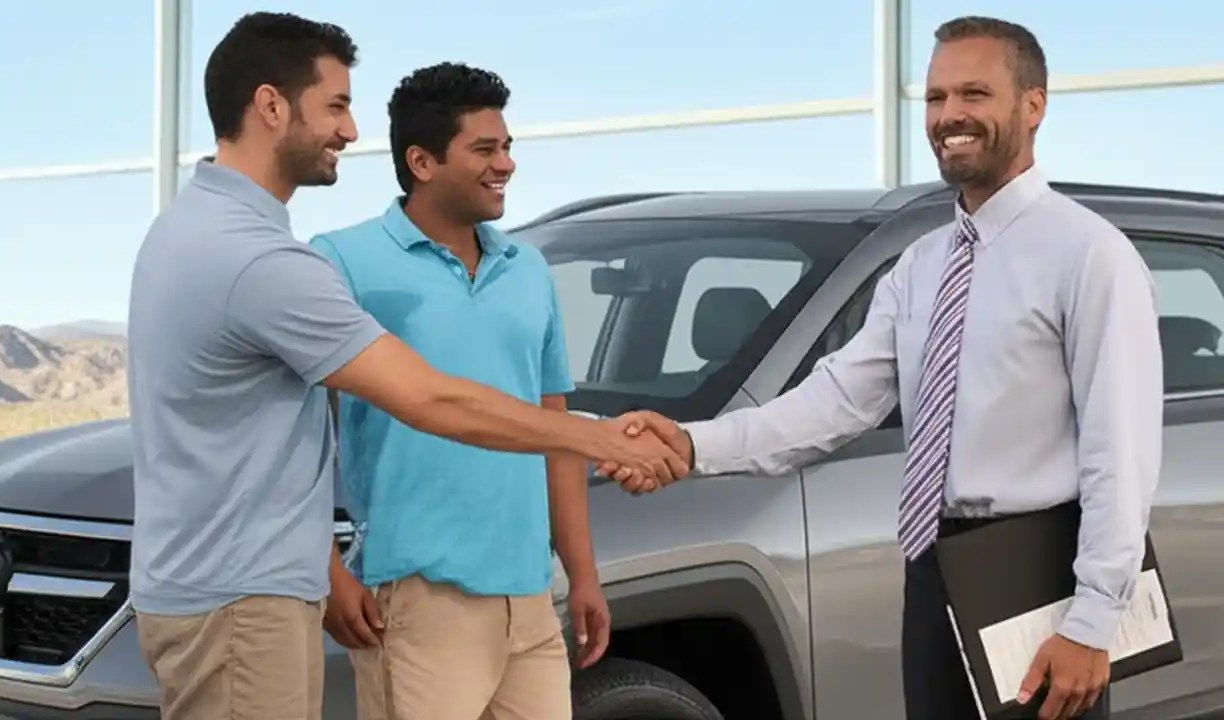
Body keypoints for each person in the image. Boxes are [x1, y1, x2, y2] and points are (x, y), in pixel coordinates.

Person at [604, 15, 1162, 720]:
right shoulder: (921, 267)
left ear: (1033, 106)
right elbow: (834, 402)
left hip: (1034, 568)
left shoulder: (1089, 256)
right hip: (933, 567)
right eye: (934, 98)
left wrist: (1091, 622)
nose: (949, 116)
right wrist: (691, 444)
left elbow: (1122, 452)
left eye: (974, 94)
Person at [127, 14, 683, 720]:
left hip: (269, 590)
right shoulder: (272, 259)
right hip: (264, 596)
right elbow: (430, 400)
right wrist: (608, 442)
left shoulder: (196, 231)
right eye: (335, 105)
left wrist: (580, 570)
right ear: (272, 106)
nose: (350, 131)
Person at [307, 62, 605, 720]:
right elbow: (295, 436)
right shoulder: (341, 262)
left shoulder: (528, 269)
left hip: (529, 601)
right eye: (485, 149)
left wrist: (581, 573)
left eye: (507, 148)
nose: (505, 165)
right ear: (421, 160)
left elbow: (555, 431)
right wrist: (327, 571)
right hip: (414, 597)